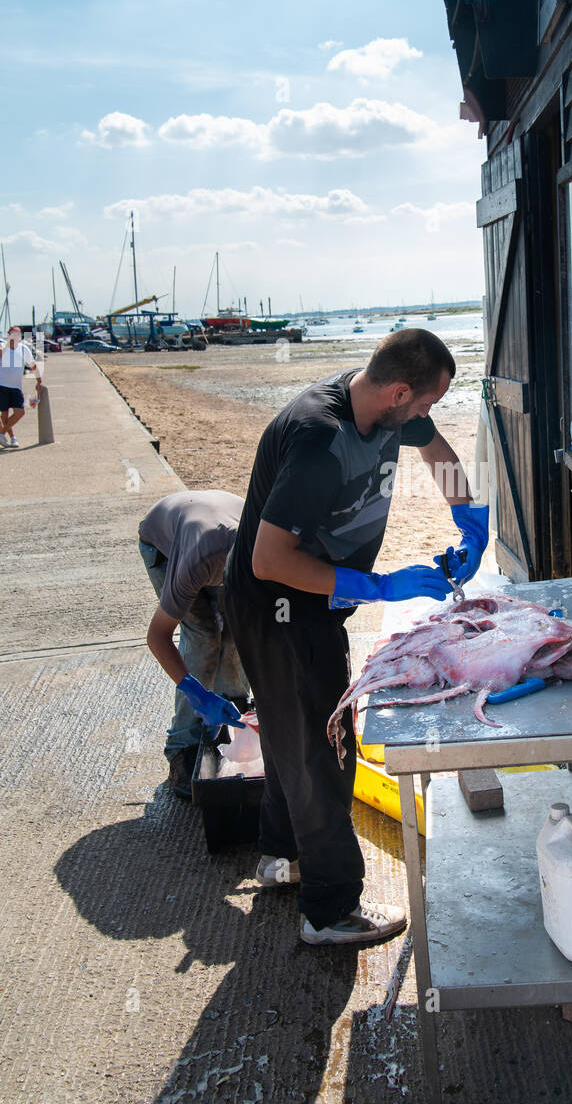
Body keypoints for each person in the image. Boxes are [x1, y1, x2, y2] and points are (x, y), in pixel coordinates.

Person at [224, 329, 489, 946]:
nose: (426, 416)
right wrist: (380, 588)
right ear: (399, 391)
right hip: (279, 607)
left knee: (293, 734)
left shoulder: (384, 406)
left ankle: (279, 857)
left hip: (313, 600)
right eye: (424, 403)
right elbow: (268, 559)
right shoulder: (322, 439)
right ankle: (328, 911)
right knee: (325, 748)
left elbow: (437, 451)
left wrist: (467, 515)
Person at [139, 490, 251, 799]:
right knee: (203, 637)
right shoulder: (196, 564)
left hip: (216, 520)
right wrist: (197, 692)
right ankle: (183, 746)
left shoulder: (267, 558)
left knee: (234, 637)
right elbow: (157, 637)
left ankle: (235, 716)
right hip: (163, 540)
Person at [0, 326, 42, 449]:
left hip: (16, 387)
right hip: (2, 386)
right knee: (4, 415)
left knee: (20, 412)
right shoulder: (3, 348)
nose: (13, 336)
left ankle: (2, 433)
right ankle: (12, 437)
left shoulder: (24, 350)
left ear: (19, 336)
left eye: (15, 334)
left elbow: (33, 366)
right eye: (10, 334)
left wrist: (39, 381)